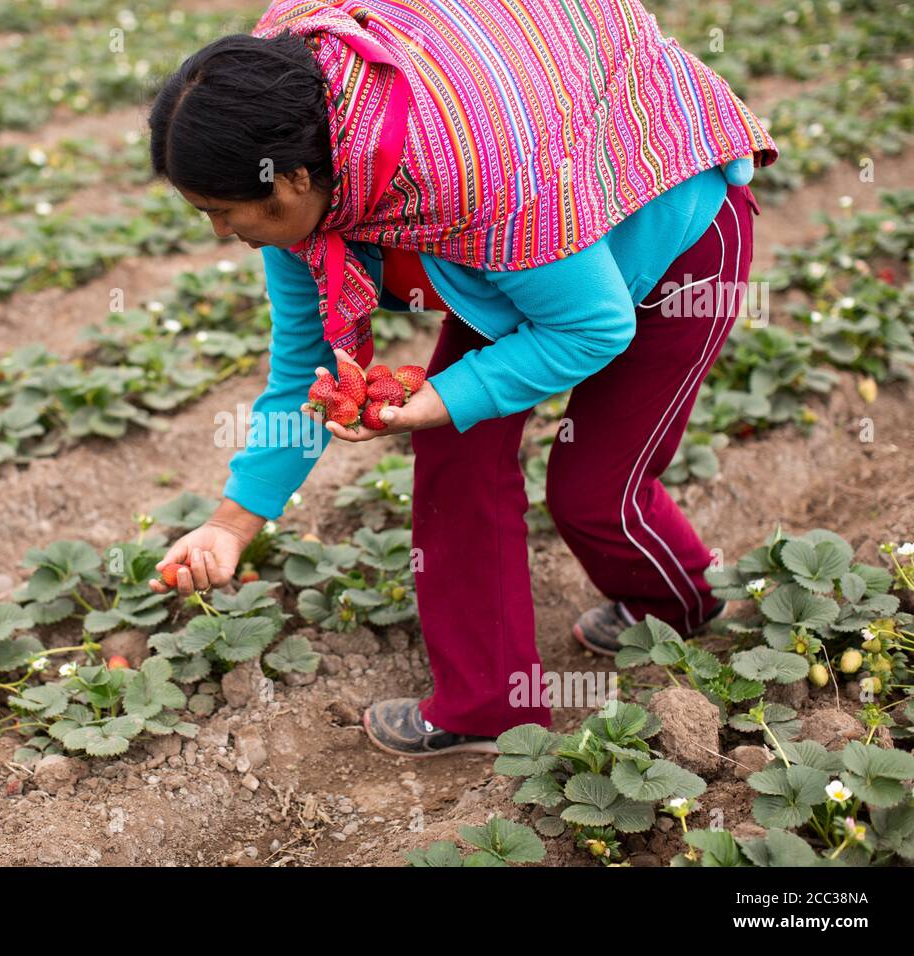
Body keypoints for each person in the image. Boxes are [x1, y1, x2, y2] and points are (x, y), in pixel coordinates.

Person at [145, 0, 777, 758]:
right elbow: (302, 374)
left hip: (672, 233)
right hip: (521, 256)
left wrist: (447, 394)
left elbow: (592, 325)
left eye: (221, 212)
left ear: (293, 182)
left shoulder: (472, 172)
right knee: (453, 451)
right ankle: (489, 708)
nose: (221, 234)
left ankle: (678, 606)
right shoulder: (296, 163)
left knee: (593, 489)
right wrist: (230, 524)